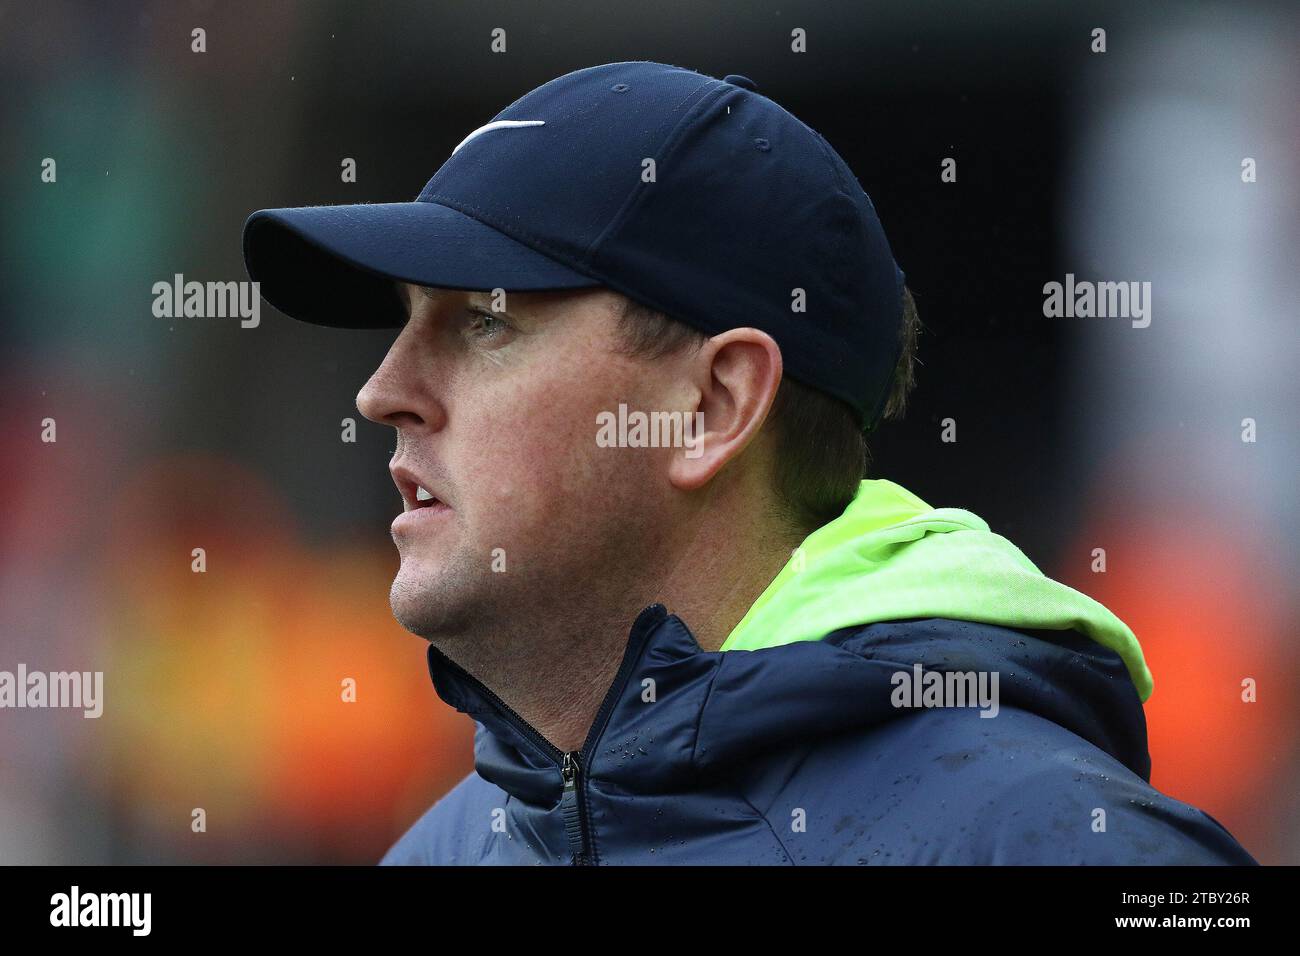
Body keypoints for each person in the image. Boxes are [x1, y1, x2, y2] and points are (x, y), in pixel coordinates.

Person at [242, 61, 1257, 864]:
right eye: (406, 322)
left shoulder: (1053, 840)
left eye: (483, 323)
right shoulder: (432, 853)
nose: (382, 391)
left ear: (713, 405)